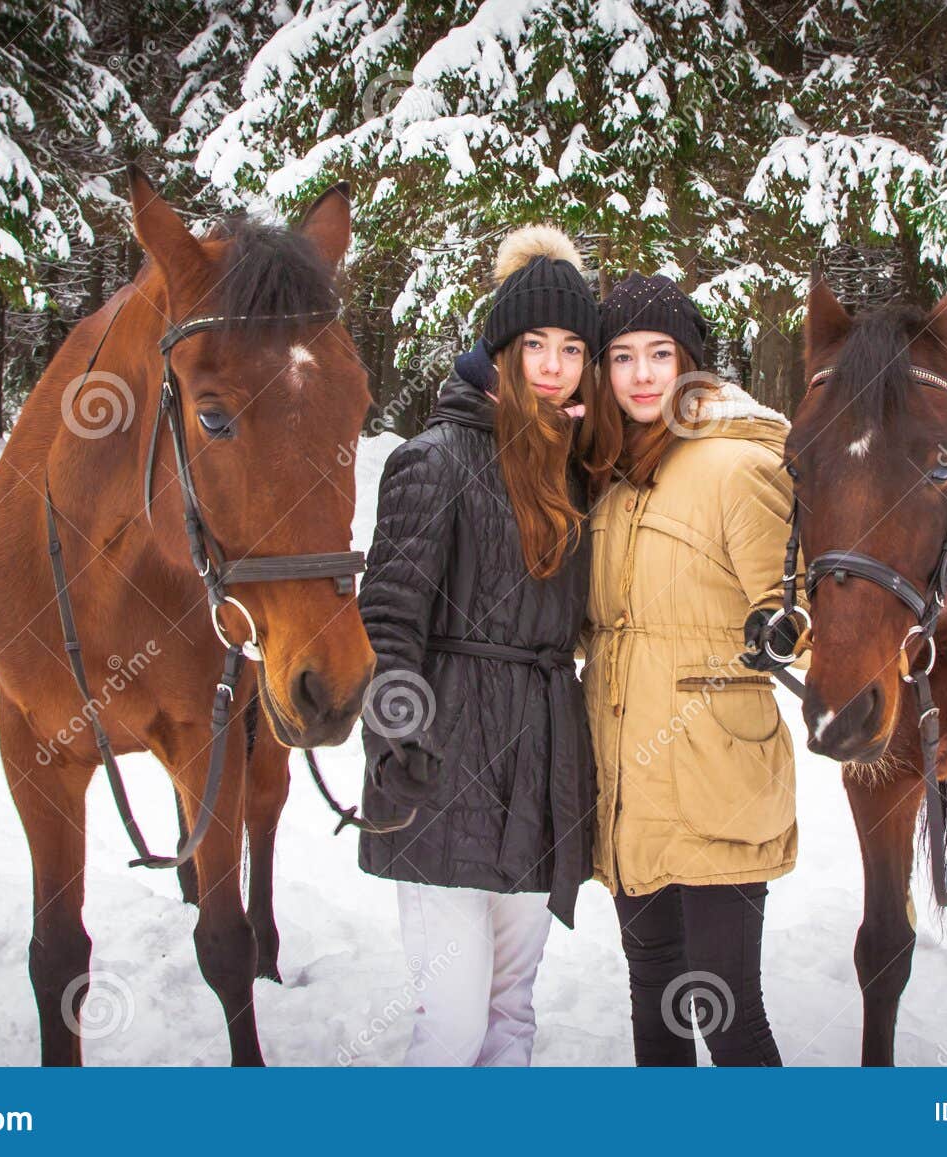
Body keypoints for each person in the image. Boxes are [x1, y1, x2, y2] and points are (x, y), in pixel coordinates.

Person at [356, 225, 600, 1067]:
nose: (553, 362)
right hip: (444, 766)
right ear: (500, 347)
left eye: (572, 347)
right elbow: (387, 620)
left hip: (536, 768)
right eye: (534, 342)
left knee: (510, 1013)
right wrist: (397, 742)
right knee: (453, 1025)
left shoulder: (575, 475)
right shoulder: (435, 458)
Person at [580, 272, 802, 1066]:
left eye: (660, 354)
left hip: (716, 779)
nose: (642, 375)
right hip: (631, 785)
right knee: (655, 988)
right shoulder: (609, 481)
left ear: (690, 365)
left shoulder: (736, 468)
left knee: (727, 1005)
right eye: (623, 357)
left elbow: (796, 611)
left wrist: (784, 629)